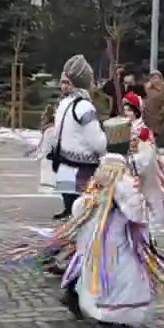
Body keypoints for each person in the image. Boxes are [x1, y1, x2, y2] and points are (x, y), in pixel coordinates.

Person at [51, 152, 164, 328]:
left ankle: (90, 306)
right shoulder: (122, 188)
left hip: (95, 248)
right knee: (124, 279)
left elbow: (78, 211)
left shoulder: (94, 192)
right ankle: (111, 318)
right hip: (117, 247)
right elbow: (137, 214)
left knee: (98, 277)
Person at [121, 92, 164, 229]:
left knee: (149, 196)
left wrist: (134, 165)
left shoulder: (143, 131)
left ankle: (150, 221)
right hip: (131, 168)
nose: (126, 113)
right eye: (125, 110)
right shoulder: (127, 127)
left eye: (129, 110)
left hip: (142, 170)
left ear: (136, 111)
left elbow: (148, 154)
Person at [51, 55, 107, 220]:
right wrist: (104, 148)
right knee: (80, 204)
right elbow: (95, 138)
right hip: (81, 162)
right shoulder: (83, 106)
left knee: (68, 198)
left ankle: (67, 211)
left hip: (63, 158)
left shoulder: (64, 103)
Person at [142, 70, 164, 148]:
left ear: (160, 78)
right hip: (146, 117)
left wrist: (161, 116)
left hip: (158, 118)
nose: (154, 80)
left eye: (156, 78)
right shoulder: (146, 87)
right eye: (152, 78)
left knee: (155, 139)